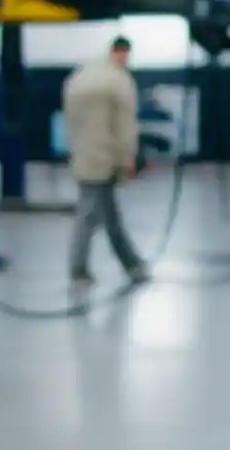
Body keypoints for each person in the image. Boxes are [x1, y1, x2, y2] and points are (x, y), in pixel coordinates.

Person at [64, 36, 148, 285]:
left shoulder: (80, 76)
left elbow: (70, 121)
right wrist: (128, 159)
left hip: (83, 154)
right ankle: (78, 269)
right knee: (89, 213)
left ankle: (132, 265)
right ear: (123, 54)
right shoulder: (119, 81)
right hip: (106, 157)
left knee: (109, 215)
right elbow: (125, 126)